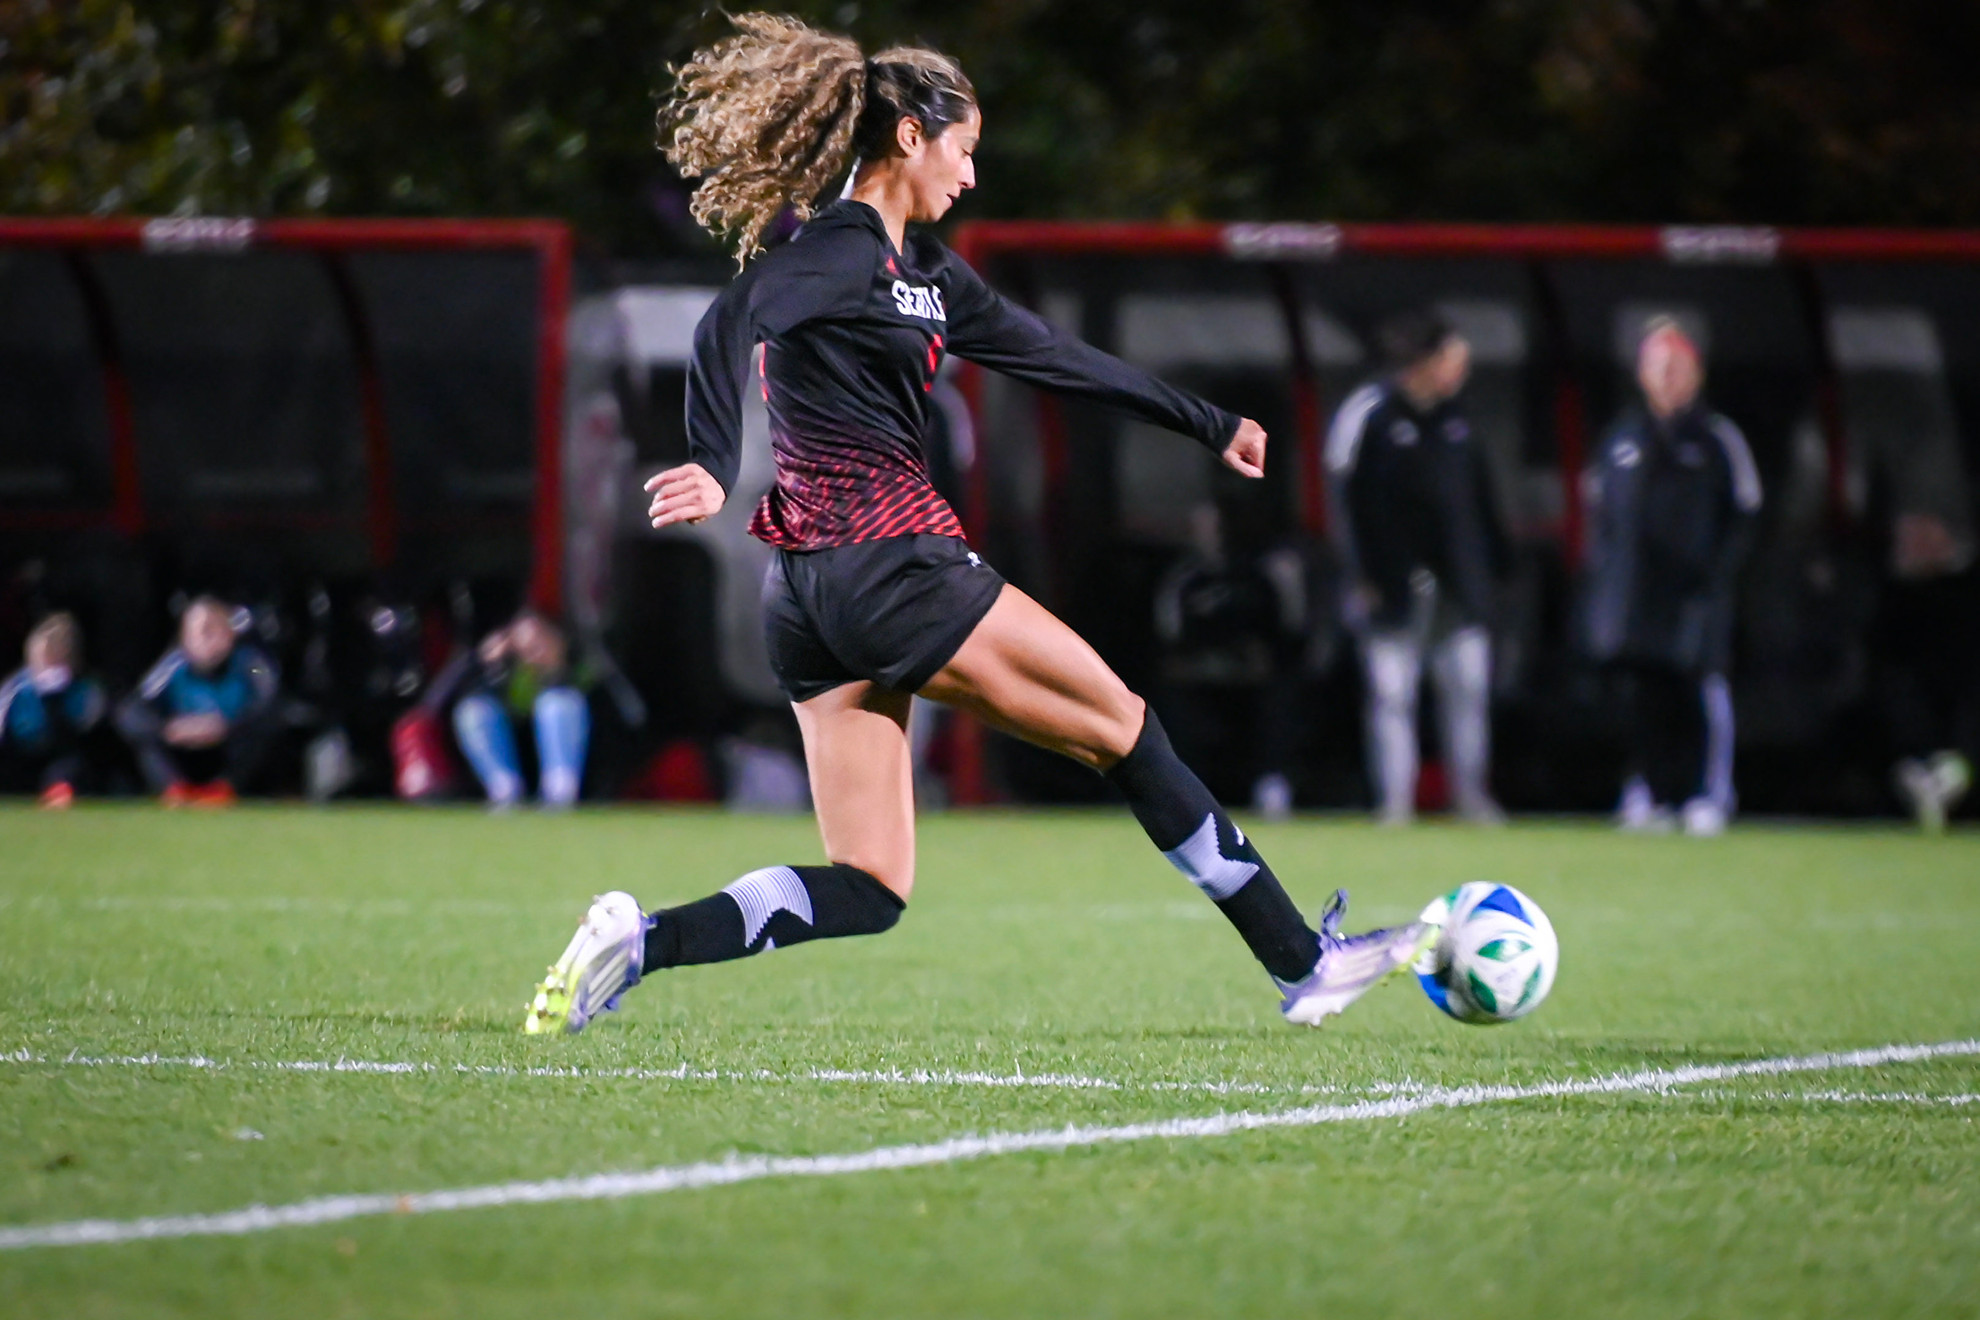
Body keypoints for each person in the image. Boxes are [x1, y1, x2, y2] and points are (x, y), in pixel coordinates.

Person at [522, 13, 1429, 1036]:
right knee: (1127, 729)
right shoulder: (842, 250)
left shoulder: (927, 275)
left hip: (812, 597)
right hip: (892, 566)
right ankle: (1303, 962)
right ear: (911, 136)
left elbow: (1055, 357)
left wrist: (1207, 423)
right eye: (963, 149)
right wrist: (710, 459)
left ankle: (641, 940)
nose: (970, 174)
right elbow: (730, 318)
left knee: (870, 882)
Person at [1581, 318, 1762, 836]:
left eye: (1677, 367)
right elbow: (1600, 516)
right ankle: (1651, 791)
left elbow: (1745, 514)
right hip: (1634, 598)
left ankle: (1707, 795)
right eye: (1658, 367)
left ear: (1696, 374)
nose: (1667, 378)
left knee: (1699, 692)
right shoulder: (1622, 438)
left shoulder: (1717, 438)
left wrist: (1717, 577)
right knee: (1643, 699)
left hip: (1695, 597)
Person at [1325, 309, 1506, 825]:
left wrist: (1493, 572)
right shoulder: (1370, 413)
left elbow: (1483, 504)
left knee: (1468, 689)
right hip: (1389, 587)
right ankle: (1396, 804)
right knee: (1392, 694)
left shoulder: (1460, 420)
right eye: (1453, 359)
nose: (1461, 370)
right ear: (1426, 360)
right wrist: (1361, 574)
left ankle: (1470, 797)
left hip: (1457, 589)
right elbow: (1343, 503)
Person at [116, 595, 282, 805]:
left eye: (213, 630)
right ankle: (174, 789)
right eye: (199, 632)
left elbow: (271, 704)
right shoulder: (172, 666)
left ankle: (225, 788)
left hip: (228, 749)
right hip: (183, 749)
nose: (206, 639)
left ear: (230, 633)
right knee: (144, 737)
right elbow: (131, 710)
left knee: (264, 731)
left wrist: (226, 727)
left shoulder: (250, 664)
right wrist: (169, 728)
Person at [427, 610, 590, 809]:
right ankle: (504, 790)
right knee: (474, 710)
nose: (534, 655)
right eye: (527, 648)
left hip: (569, 766)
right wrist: (486, 664)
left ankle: (560, 791)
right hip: (514, 749)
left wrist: (556, 670)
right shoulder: (503, 671)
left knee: (559, 703)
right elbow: (442, 697)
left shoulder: (579, 665)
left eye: (540, 644)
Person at [0, 612, 108, 808]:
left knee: (72, 763)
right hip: (20, 755)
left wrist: (55, 701)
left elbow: (84, 732)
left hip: (58, 757)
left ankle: (59, 791)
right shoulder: (16, 688)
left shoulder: (85, 689)